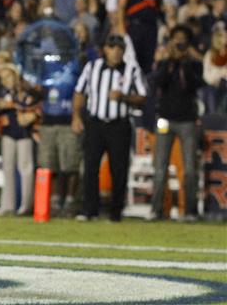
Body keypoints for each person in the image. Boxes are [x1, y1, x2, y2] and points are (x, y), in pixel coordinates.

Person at [72, 34, 148, 222]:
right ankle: (90, 210)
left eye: (119, 48)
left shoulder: (131, 69)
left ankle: (116, 212)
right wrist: (75, 116)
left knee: (119, 170)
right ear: (105, 49)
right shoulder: (92, 67)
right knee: (90, 167)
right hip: (96, 123)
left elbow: (142, 96)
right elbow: (80, 92)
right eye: (112, 47)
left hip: (119, 125)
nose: (116, 52)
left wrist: (124, 97)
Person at [148, 26, 204, 221]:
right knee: (160, 167)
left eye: (182, 40)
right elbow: (157, 82)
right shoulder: (165, 61)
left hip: (187, 120)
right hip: (165, 118)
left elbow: (194, 84)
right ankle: (157, 210)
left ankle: (190, 211)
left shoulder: (194, 63)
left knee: (190, 169)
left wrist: (185, 62)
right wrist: (169, 60)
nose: (179, 43)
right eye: (176, 39)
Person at [0, 63, 38, 216]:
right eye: (3, 78)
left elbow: (33, 107)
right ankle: (7, 205)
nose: (5, 80)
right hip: (8, 132)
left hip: (24, 133)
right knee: (8, 168)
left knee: (25, 169)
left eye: (8, 76)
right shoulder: (3, 92)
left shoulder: (25, 92)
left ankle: (26, 205)